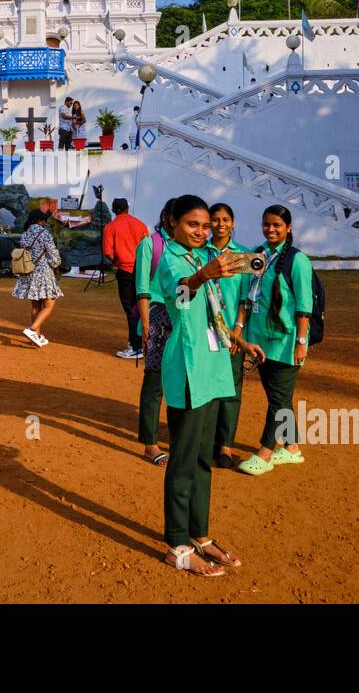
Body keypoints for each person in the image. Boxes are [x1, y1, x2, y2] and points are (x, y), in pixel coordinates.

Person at [156, 194, 252, 576]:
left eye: (205, 225)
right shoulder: (171, 260)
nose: (200, 231)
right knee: (182, 461)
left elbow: (215, 311)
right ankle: (177, 544)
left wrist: (238, 338)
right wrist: (202, 276)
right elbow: (179, 297)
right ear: (173, 223)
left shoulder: (200, 257)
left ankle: (199, 533)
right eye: (192, 224)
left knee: (202, 459)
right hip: (190, 369)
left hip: (214, 367)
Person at [235, 205, 314, 477]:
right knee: (279, 397)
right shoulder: (258, 254)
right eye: (267, 224)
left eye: (277, 225)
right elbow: (245, 292)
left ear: (288, 228)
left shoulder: (298, 260)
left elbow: (304, 305)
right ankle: (292, 448)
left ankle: (266, 452)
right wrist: (240, 329)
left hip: (286, 341)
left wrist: (301, 342)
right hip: (260, 340)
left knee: (277, 399)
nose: (271, 229)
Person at [207, 203, 256, 469]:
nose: (221, 224)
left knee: (232, 390)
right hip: (206, 332)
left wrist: (237, 330)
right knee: (207, 386)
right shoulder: (202, 253)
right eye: (215, 220)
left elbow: (246, 298)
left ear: (233, 223)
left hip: (233, 332)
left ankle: (225, 445)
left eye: (226, 219)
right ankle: (207, 440)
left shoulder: (243, 255)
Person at [134, 198, 176, 466]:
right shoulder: (150, 244)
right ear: (170, 218)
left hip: (182, 319)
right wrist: (147, 326)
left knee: (179, 381)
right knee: (154, 383)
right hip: (157, 319)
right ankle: (150, 443)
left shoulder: (188, 248)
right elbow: (142, 288)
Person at [102, 198, 150, 359]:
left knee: (131, 309)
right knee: (143, 307)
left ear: (114, 210)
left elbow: (108, 253)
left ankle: (135, 346)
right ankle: (144, 342)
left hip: (125, 271)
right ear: (127, 208)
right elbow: (148, 247)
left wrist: (116, 264)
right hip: (143, 271)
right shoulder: (140, 224)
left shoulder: (110, 227)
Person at [11, 210, 63, 346]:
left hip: (28, 272)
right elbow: (53, 253)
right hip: (43, 272)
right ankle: (32, 329)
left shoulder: (25, 234)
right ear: (40, 221)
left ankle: (37, 337)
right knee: (49, 303)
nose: (45, 222)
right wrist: (57, 265)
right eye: (44, 220)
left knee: (35, 305)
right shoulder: (43, 233)